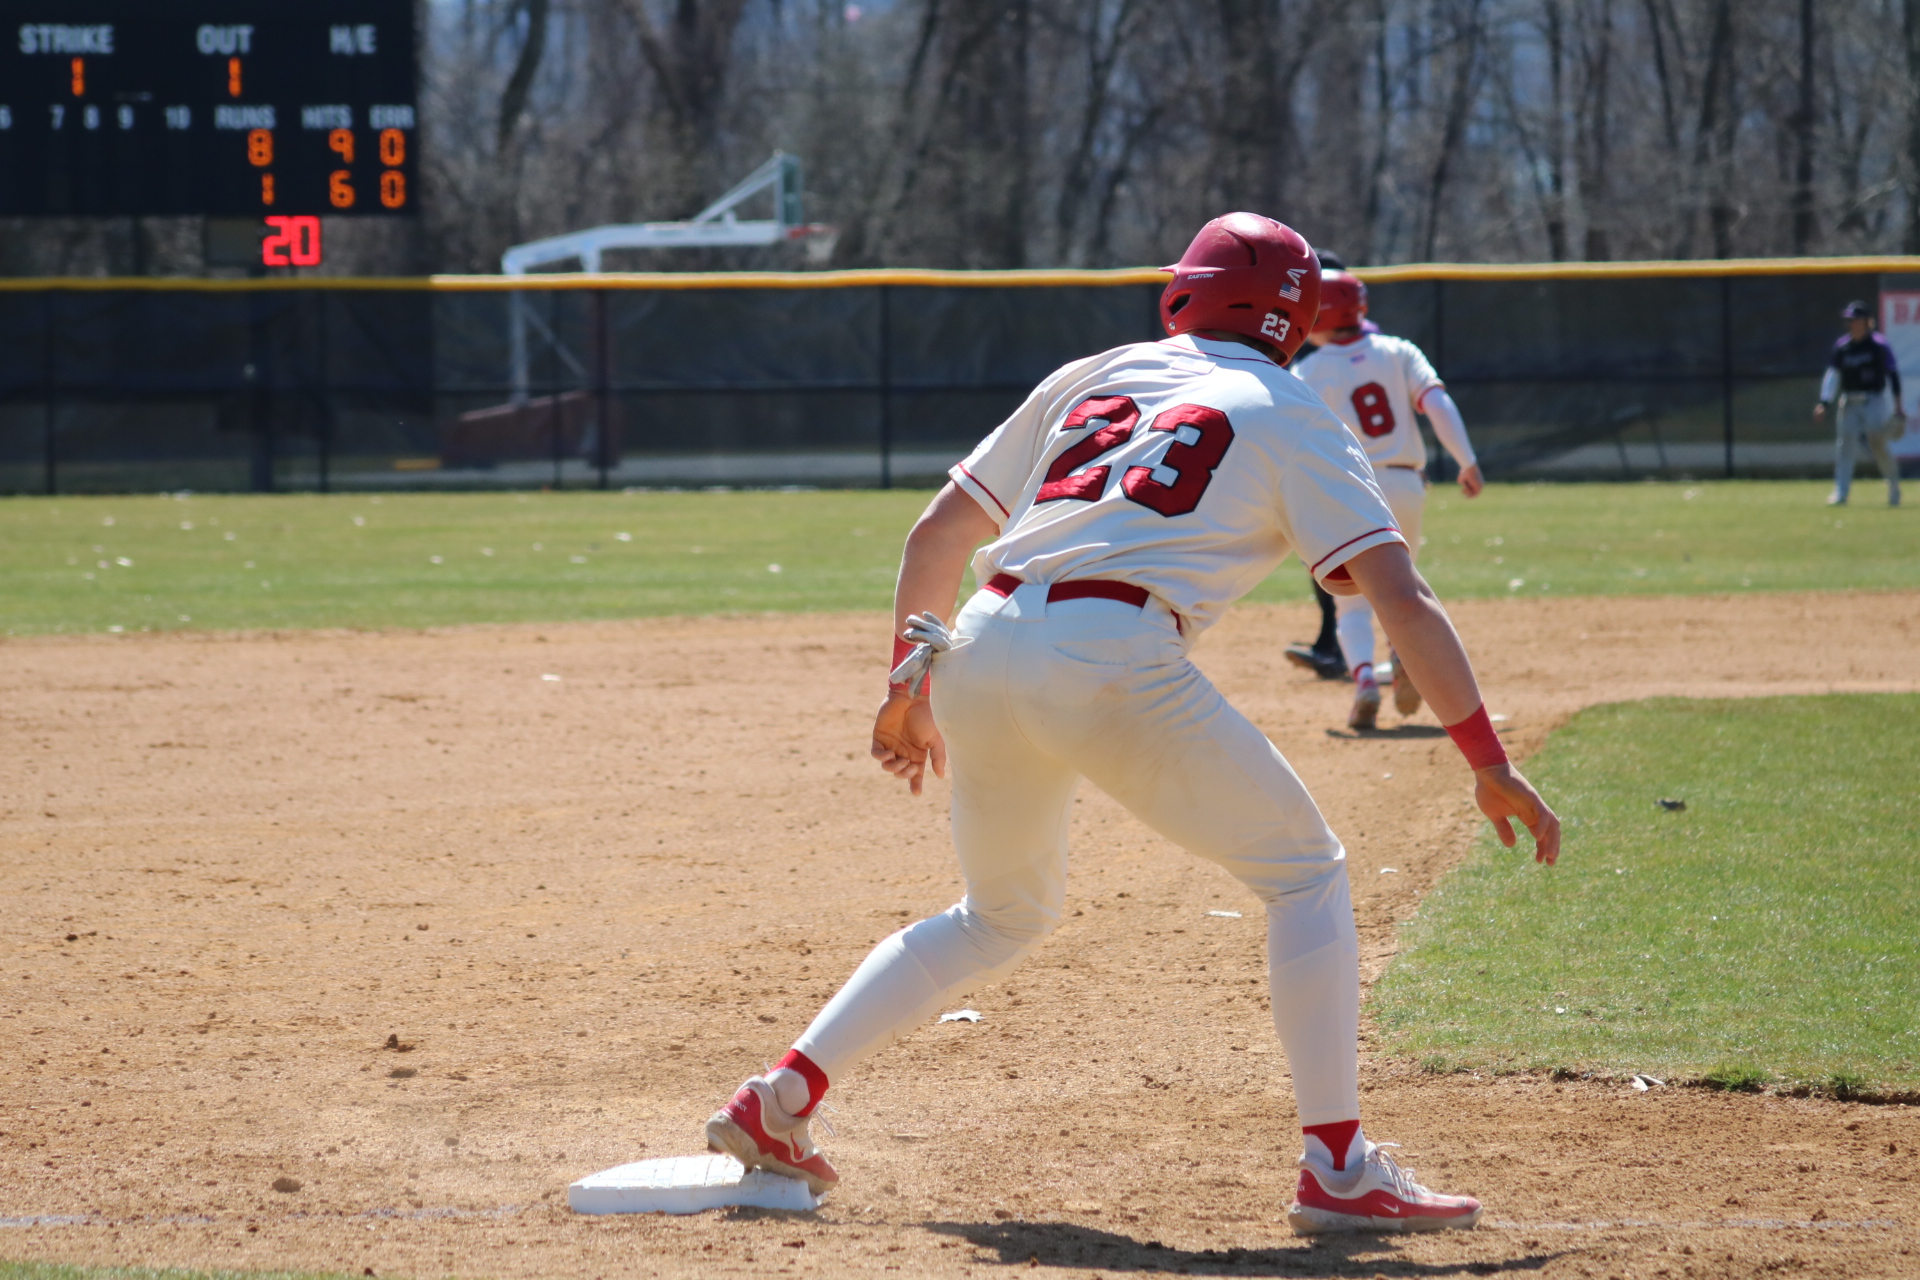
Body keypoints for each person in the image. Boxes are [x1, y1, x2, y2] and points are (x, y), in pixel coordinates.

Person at [702, 213, 1560, 1235]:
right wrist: (1487, 757)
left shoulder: (1095, 372)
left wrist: (909, 683)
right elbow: (1400, 597)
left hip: (977, 640)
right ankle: (1337, 1165)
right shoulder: (1289, 405)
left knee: (1000, 910)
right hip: (1108, 650)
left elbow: (940, 532)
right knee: (1304, 871)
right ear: (1293, 321)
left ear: (1182, 291)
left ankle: (782, 1096)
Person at [1290, 269, 1484, 730]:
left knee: (1351, 601)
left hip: (1346, 486)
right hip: (1404, 484)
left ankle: (1363, 681)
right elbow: (1436, 402)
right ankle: (1401, 656)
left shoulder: (1307, 370)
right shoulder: (1398, 351)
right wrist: (1467, 460)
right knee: (1402, 587)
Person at [1283, 249, 1371, 684]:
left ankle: (1350, 656)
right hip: (1387, 468)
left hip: (1342, 469)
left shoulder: (1320, 354)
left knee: (1337, 565)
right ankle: (1332, 646)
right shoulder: (1374, 342)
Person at [1815, 301, 1903, 507]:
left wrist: (1898, 405)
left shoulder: (1879, 345)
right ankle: (1841, 492)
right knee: (1845, 446)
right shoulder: (1843, 346)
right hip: (1849, 401)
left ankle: (1893, 486)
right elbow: (1833, 375)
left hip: (1873, 400)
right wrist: (1824, 402)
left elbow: (1893, 374)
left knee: (1877, 443)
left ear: (1865, 321)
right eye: (1849, 320)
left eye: (1854, 319)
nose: (1851, 323)